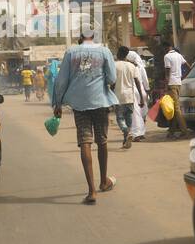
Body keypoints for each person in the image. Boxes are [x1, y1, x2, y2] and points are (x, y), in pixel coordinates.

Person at [52, 31, 119, 204]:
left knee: (85, 142)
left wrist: (57, 103)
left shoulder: (71, 52)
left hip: (79, 105)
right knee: (102, 141)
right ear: (95, 38)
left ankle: (91, 192)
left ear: (80, 38)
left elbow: (61, 81)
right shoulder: (104, 51)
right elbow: (112, 77)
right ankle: (103, 182)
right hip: (100, 102)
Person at [113, 46, 144, 149]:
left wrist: (109, 93)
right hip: (130, 97)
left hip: (118, 97)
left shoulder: (114, 65)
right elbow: (137, 82)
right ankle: (126, 139)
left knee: (120, 118)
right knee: (128, 118)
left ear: (118, 54)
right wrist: (142, 98)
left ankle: (126, 131)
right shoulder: (132, 66)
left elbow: (112, 82)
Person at [163, 43, 189, 139]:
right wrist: (182, 77)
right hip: (178, 83)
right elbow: (188, 67)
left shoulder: (167, 56)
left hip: (172, 84)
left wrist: (167, 85)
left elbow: (167, 71)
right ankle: (171, 131)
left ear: (166, 47)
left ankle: (184, 131)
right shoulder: (179, 55)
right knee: (172, 107)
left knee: (176, 109)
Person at [126, 50, 150, 141]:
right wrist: (147, 90)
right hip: (142, 92)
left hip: (134, 91)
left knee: (135, 114)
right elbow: (145, 80)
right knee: (142, 113)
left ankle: (136, 134)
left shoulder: (129, 66)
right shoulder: (140, 67)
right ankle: (142, 132)